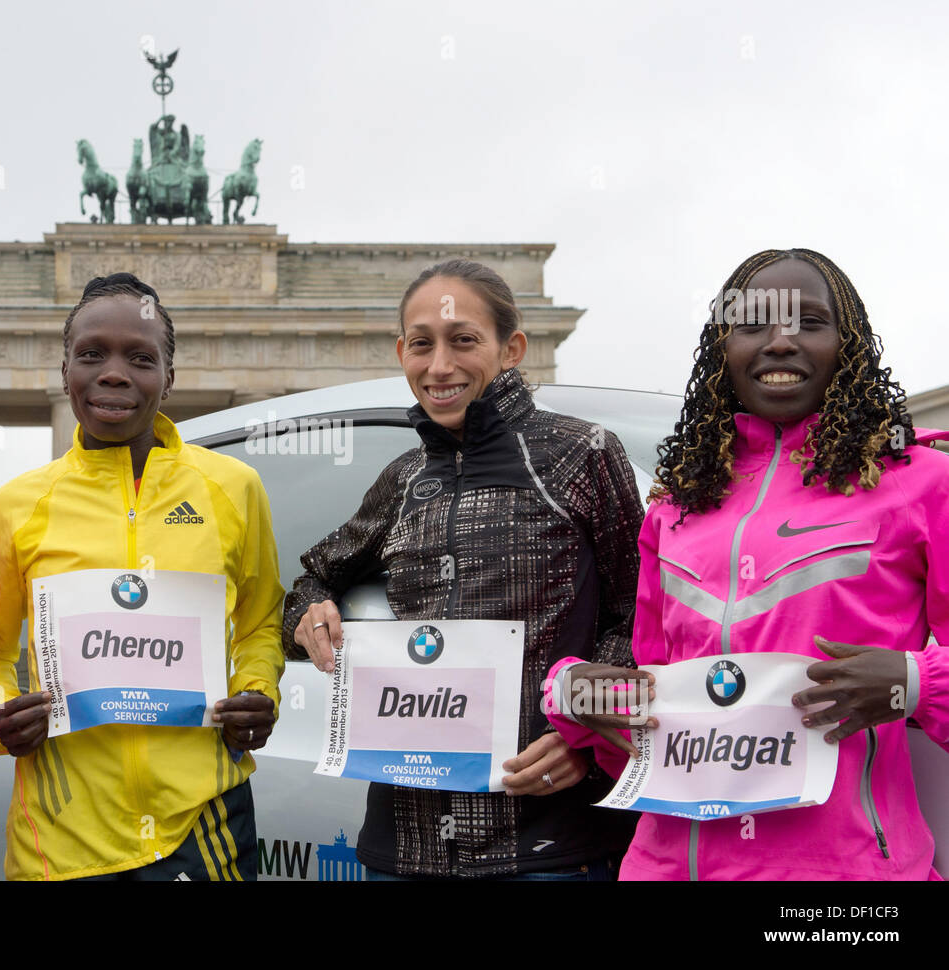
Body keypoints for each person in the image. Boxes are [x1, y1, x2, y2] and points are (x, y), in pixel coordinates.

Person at [546, 247, 949, 880]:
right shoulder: (677, 507)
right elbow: (652, 698)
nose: (781, 341)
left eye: (810, 322)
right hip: (669, 865)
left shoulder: (923, 482)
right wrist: (582, 696)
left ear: (851, 345)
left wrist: (914, 681)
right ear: (721, 348)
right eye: (754, 323)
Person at [285, 259, 643, 879]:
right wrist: (308, 614)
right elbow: (312, 578)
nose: (440, 366)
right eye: (421, 344)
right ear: (403, 352)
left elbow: (641, 613)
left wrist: (587, 731)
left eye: (464, 340)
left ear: (512, 349)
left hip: (549, 840)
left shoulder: (581, 453)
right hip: (402, 846)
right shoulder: (402, 478)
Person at [0, 272, 284, 881]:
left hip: (204, 823)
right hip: (61, 833)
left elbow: (260, 624)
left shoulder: (234, 489)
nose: (113, 373)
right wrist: (0, 713)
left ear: (170, 377)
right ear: (64, 369)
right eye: (91, 354)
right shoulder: (12, 507)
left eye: (140, 358)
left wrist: (260, 692)